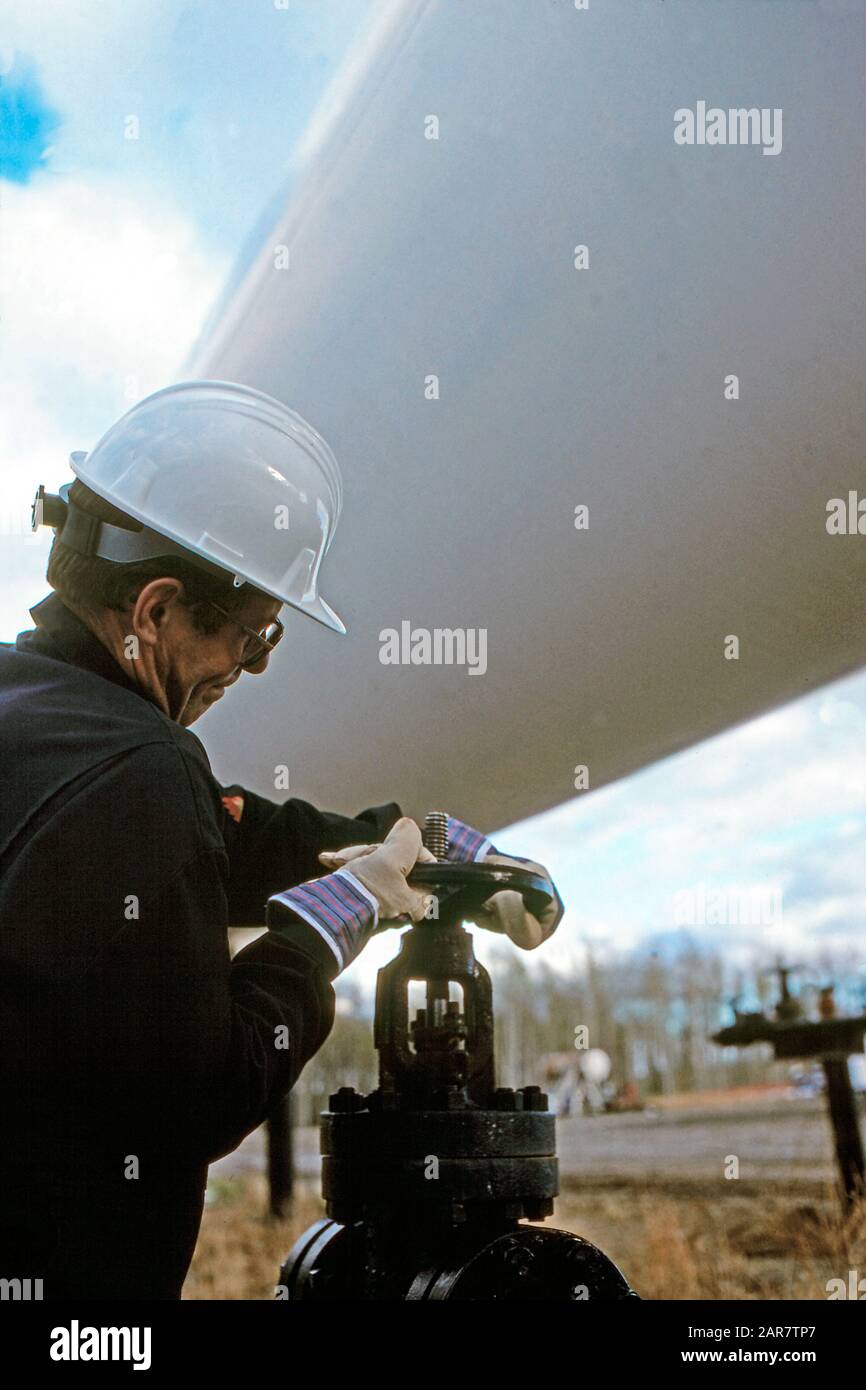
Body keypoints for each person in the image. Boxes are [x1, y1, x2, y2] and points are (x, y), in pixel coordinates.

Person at [0, 381, 563, 1299]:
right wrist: (321, 934)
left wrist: (413, 844)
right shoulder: (136, 767)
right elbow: (194, 1095)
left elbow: (226, 834)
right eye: (254, 639)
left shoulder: (39, 719)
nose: (247, 670)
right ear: (154, 611)